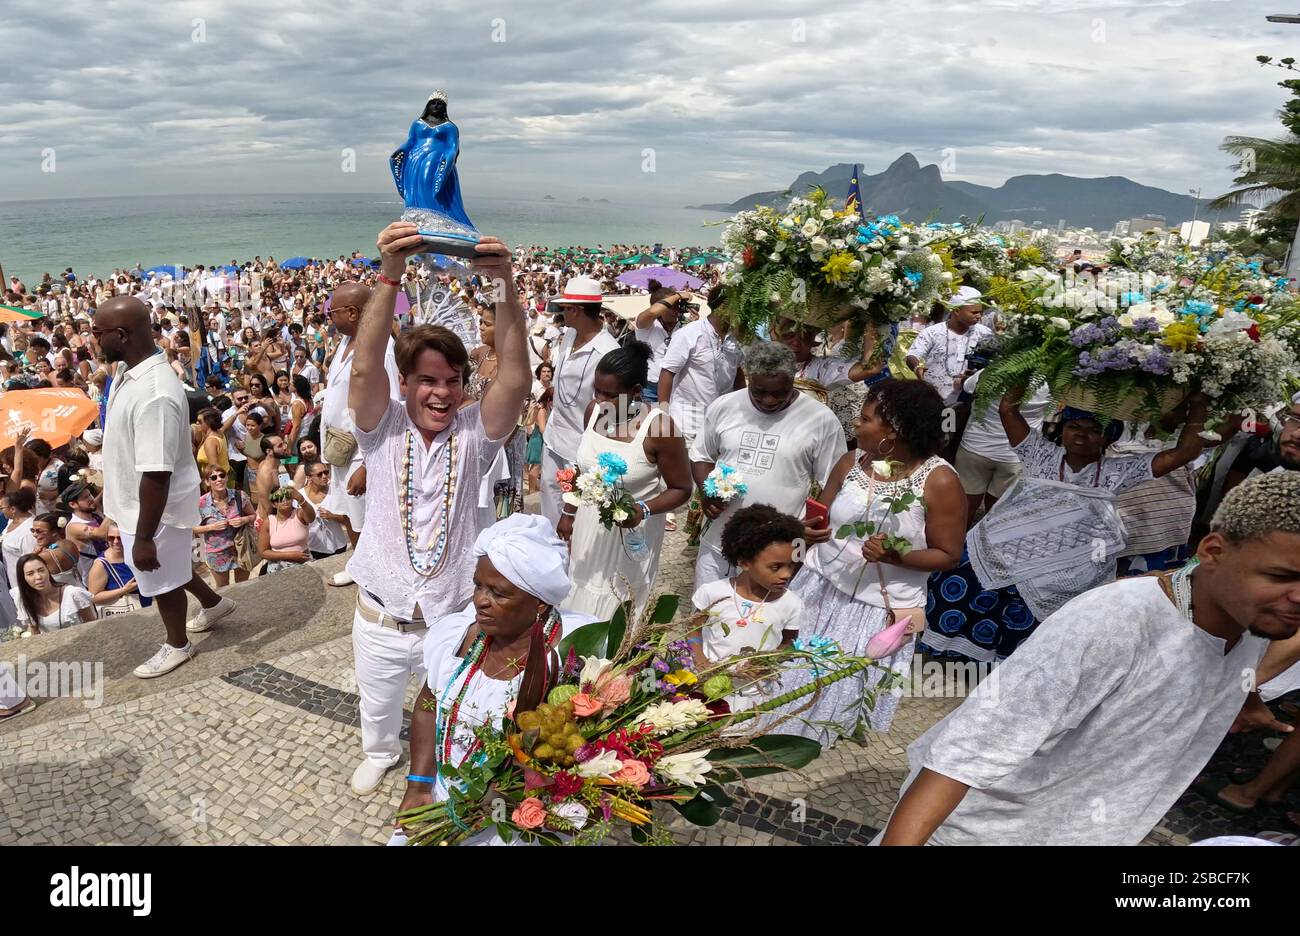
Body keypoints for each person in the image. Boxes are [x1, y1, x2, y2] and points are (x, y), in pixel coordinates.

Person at [879, 471, 1300, 846]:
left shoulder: (1253, 623)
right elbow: (962, 756)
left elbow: (1213, 668)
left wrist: (1246, 699)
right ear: (1212, 551)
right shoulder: (1113, 622)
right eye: (1281, 577)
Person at [344, 221, 529, 796]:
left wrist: (503, 284)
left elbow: (517, 378)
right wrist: (390, 273)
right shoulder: (380, 428)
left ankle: (438, 773)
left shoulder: (476, 433)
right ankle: (379, 752)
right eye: (427, 380)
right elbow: (363, 366)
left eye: (452, 381)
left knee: (449, 706)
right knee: (377, 703)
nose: (441, 393)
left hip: (450, 615)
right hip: (381, 610)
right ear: (405, 384)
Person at [921, 392, 1226, 664]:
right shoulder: (1040, 453)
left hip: (1070, 562)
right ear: (1063, 429)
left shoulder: (1118, 470)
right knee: (964, 570)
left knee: (1051, 595)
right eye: (1075, 427)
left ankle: (1015, 663)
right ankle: (952, 649)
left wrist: (1197, 403)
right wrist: (1030, 357)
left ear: (1108, 439)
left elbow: (1186, 452)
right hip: (1009, 546)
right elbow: (1007, 409)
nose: (1082, 436)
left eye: (1094, 430)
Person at [391, 513, 595, 846]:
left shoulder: (573, 659)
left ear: (540, 603)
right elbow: (429, 703)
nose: (480, 600)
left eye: (498, 593)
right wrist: (418, 784)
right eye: (478, 585)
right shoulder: (457, 636)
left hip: (521, 823)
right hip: (444, 801)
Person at [784, 379, 965, 737]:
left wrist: (897, 556)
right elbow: (821, 515)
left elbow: (948, 555)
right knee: (785, 681)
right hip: (817, 590)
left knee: (827, 710)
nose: (856, 424)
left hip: (873, 609)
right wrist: (805, 535)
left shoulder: (939, 481)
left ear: (894, 431)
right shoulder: (851, 460)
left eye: (865, 419)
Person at [93, 295, 234, 679]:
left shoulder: (154, 391)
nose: (94, 339)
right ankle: (214, 604)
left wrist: (142, 536)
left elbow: (156, 472)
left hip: (152, 506)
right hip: (134, 500)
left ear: (121, 334)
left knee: (158, 577)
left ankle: (177, 645)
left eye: (98, 332)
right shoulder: (128, 371)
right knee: (168, 565)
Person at [690, 341, 846, 590]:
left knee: (766, 623)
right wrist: (706, 491)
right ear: (749, 378)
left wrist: (802, 531)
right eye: (759, 392)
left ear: (793, 379)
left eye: (779, 392)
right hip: (718, 544)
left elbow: (835, 482)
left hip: (780, 551)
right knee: (707, 616)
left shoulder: (820, 420)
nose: (769, 400)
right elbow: (701, 455)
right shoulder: (724, 406)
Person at [558, 342, 691, 620]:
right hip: (589, 526)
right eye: (597, 391)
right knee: (580, 589)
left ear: (636, 392)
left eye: (610, 394)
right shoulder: (593, 412)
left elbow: (681, 489)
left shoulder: (659, 428)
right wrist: (568, 512)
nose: (601, 400)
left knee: (617, 601)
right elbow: (581, 470)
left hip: (632, 531)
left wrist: (640, 510)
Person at [318, 281, 401, 586]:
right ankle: (359, 566)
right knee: (350, 513)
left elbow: (391, 402)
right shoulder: (344, 343)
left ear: (352, 313)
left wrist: (368, 463)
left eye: (333, 311)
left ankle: (378, 576)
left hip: (363, 449)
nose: (329, 316)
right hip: (340, 444)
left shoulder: (381, 348)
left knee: (368, 517)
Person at [689, 505, 805, 713]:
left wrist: (767, 662)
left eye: (791, 566)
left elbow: (789, 643)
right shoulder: (713, 593)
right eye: (776, 567)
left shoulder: (791, 604)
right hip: (705, 690)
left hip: (753, 697)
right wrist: (700, 661)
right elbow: (692, 630)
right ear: (744, 562)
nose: (786, 574)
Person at [537, 276, 622, 526]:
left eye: (565, 308)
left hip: (580, 446)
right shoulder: (569, 335)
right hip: (554, 436)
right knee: (549, 501)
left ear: (575, 310)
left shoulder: (608, 352)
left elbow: (611, 409)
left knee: (576, 513)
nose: (562, 313)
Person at [195, 466, 256, 586]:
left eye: (222, 475)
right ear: (207, 482)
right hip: (217, 553)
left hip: (241, 548)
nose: (219, 479)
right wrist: (211, 527)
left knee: (243, 586)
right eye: (213, 477)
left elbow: (254, 516)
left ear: (227, 477)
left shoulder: (240, 496)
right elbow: (192, 528)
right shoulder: (201, 503)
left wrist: (244, 519)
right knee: (223, 589)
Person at [10, 553, 97, 634]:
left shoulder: (72, 594)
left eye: (41, 570)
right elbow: (33, 630)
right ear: (23, 577)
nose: (38, 577)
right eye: (30, 574)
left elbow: (92, 625)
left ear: (48, 569)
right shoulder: (23, 598)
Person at [633, 280, 688, 403]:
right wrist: (677, 296)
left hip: (676, 387)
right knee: (646, 420)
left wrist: (692, 325)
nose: (675, 311)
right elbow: (652, 312)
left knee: (670, 422)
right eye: (670, 307)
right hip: (649, 388)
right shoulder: (647, 325)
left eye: (677, 306)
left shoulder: (684, 325)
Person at [87, 523, 152, 613]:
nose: (116, 541)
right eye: (111, 538)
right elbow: (94, 597)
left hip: (148, 606)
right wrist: (124, 590)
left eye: (120, 538)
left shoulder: (136, 553)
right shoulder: (101, 564)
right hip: (128, 612)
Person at [258, 486, 315, 574]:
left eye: (287, 496)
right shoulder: (269, 522)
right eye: (279, 499)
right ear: (274, 504)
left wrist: (301, 499)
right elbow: (263, 552)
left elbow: (311, 518)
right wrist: (290, 555)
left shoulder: (299, 514)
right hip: (278, 567)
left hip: (303, 562)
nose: (284, 500)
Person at [299, 462, 350, 559]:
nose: (324, 476)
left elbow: (348, 519)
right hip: (313, 547)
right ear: (309, 477)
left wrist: (333, 516)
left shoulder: (336, 491)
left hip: (338, 545)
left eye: (326, 472)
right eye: (319, 474)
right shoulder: (300, 496)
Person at [194, 407, 230, 486]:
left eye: (200, 421)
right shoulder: (219, 433)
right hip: (225, 476)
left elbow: (214, 468)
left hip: (216, 483)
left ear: (209, 422)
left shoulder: (210, 441)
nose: (196, 423)